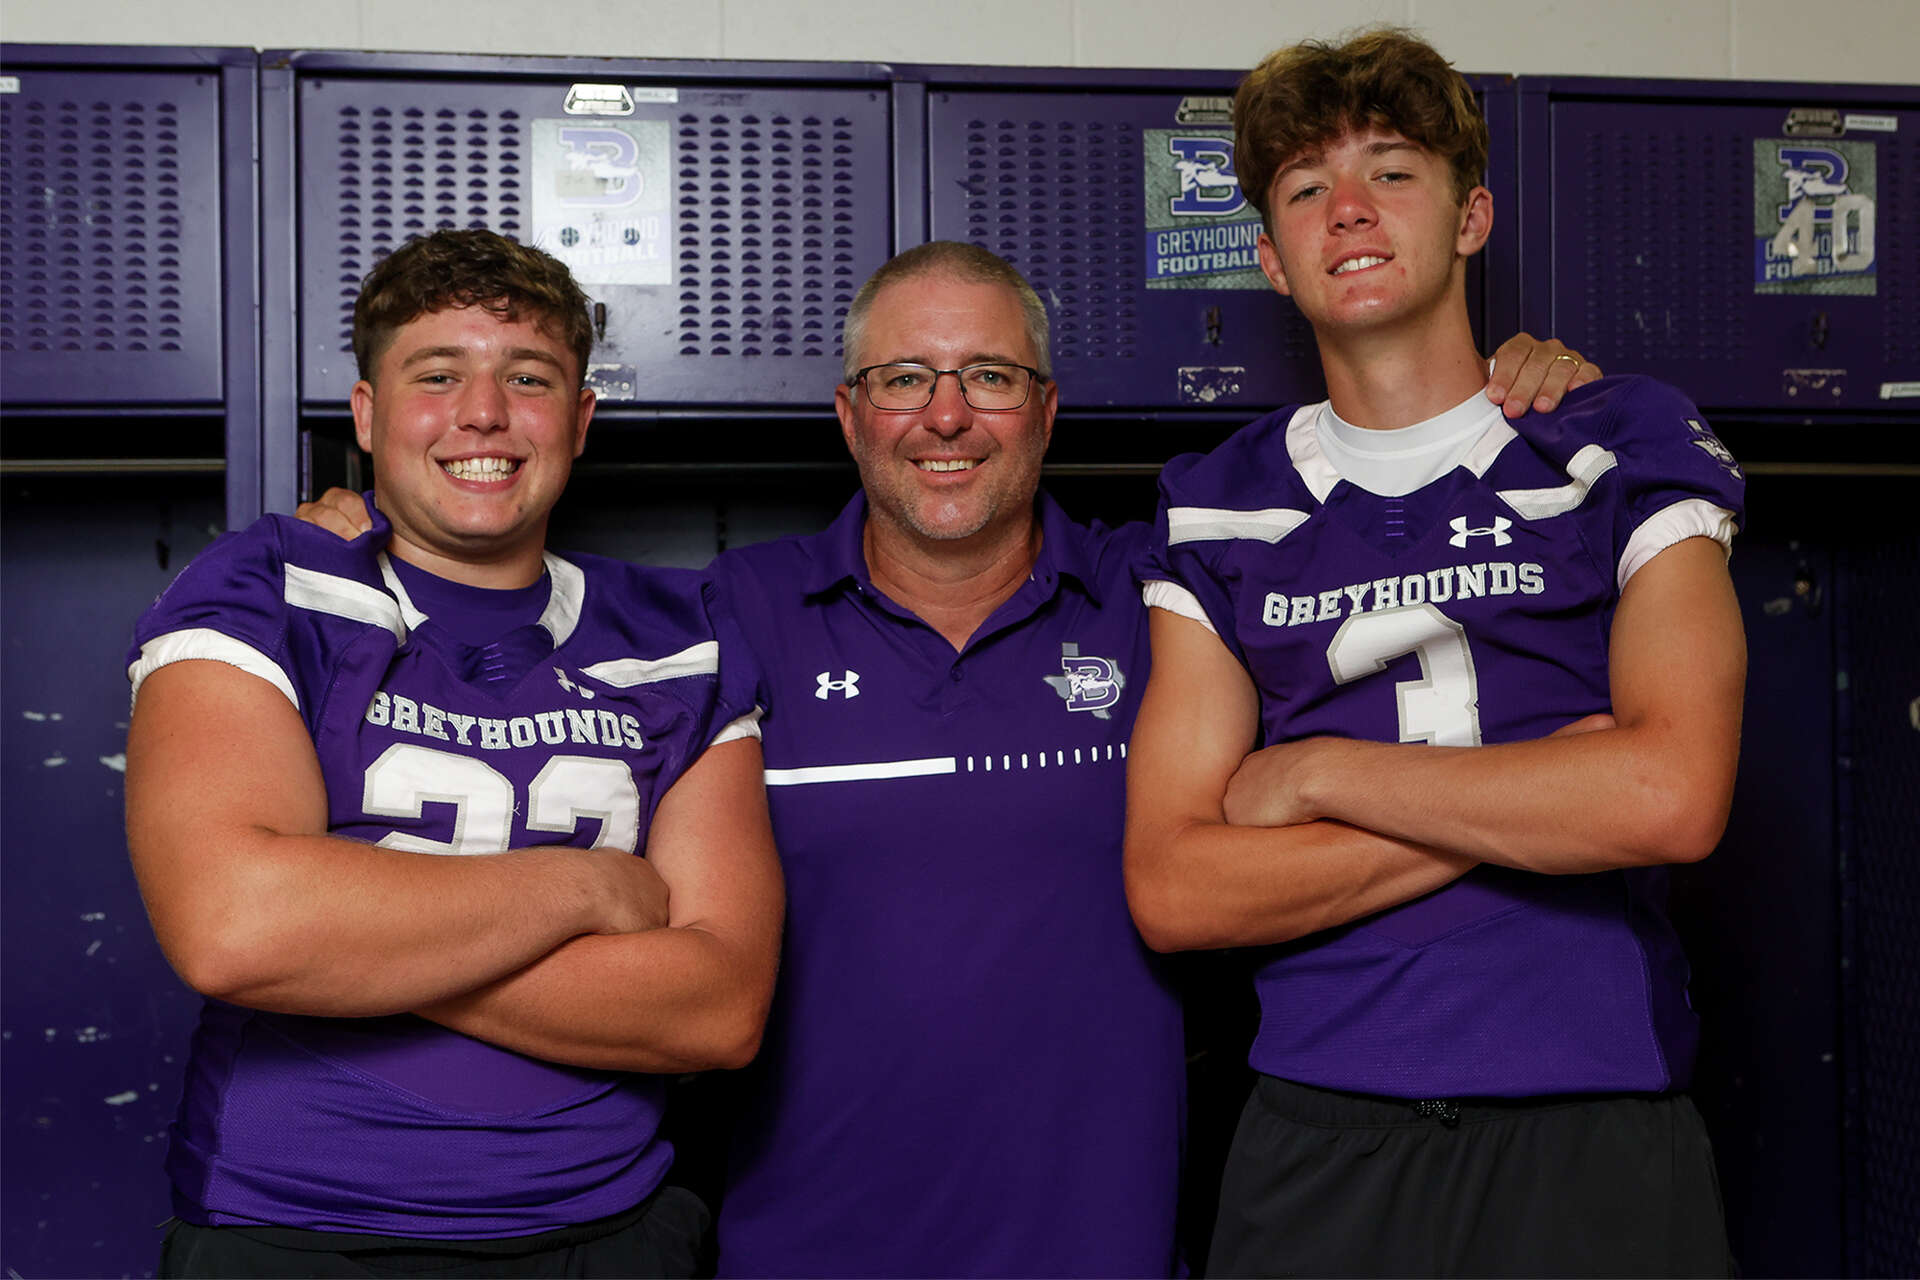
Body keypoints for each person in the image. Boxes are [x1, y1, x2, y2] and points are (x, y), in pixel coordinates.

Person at [298, 240, 1594, 1277]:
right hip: (796, 1251)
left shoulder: (1172, 601)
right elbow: (493, 682)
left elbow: (1418, 586)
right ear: (850, 414)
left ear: (1047, 409)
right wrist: (368, 546)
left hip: (1106, 1250)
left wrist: (1492, 396)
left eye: (988, 376)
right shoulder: (726, 617)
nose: (947, 417)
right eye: (906, 380)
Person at [1125, 29, 1744, 1277]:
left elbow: (1670, 797)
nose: (1347, 208)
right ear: (1269, 254)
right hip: (1321, 1125)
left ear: (1473, 217)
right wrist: (1550, 787)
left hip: (1595, 1115)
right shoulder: (1218, 500)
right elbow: (1178, 888)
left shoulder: (1616, 439)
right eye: (1305, 188)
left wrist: (1313, 778)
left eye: (1391, 172)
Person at [124, 228, 784, 1278]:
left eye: (528, 377)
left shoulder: (675, 634)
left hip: (605, 1230)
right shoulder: (270, 589)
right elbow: (236, 925)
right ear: (368, 414)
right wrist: (589, 887)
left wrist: (351, 932)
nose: (483, 412)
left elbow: (716, 1006)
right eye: (438, 374)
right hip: (294, 1228)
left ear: (580, 416)